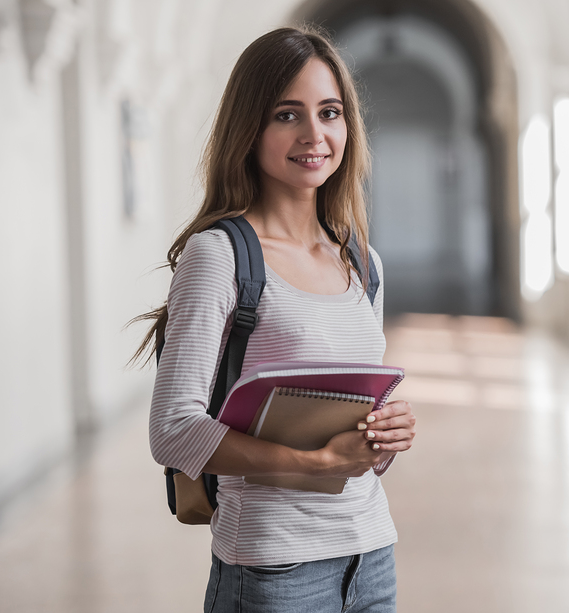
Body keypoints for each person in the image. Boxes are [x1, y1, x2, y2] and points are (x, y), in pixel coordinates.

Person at [136, 26, 416, 613]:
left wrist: (383, 437)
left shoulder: (362, 262)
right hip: (273, 568)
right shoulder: (219, 256)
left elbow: (349, 415)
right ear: (251, 129)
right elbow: (173, 430)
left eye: (330, 112)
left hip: (372, 557)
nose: (315, 135)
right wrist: (313, 465)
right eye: (288, 115)